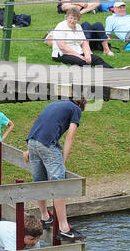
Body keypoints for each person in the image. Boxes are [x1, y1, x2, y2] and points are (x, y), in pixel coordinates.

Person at [24, 98, 85, 241]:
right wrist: (62, 161)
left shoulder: (53, 104)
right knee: (58, 184)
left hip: (33, 141)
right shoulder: (75, 109)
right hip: (47, 144)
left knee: (39, 181)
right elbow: (70, 136)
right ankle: (64, 228)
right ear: (82, 105)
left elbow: (41, 125)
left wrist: (29, 149)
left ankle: (45, 217)